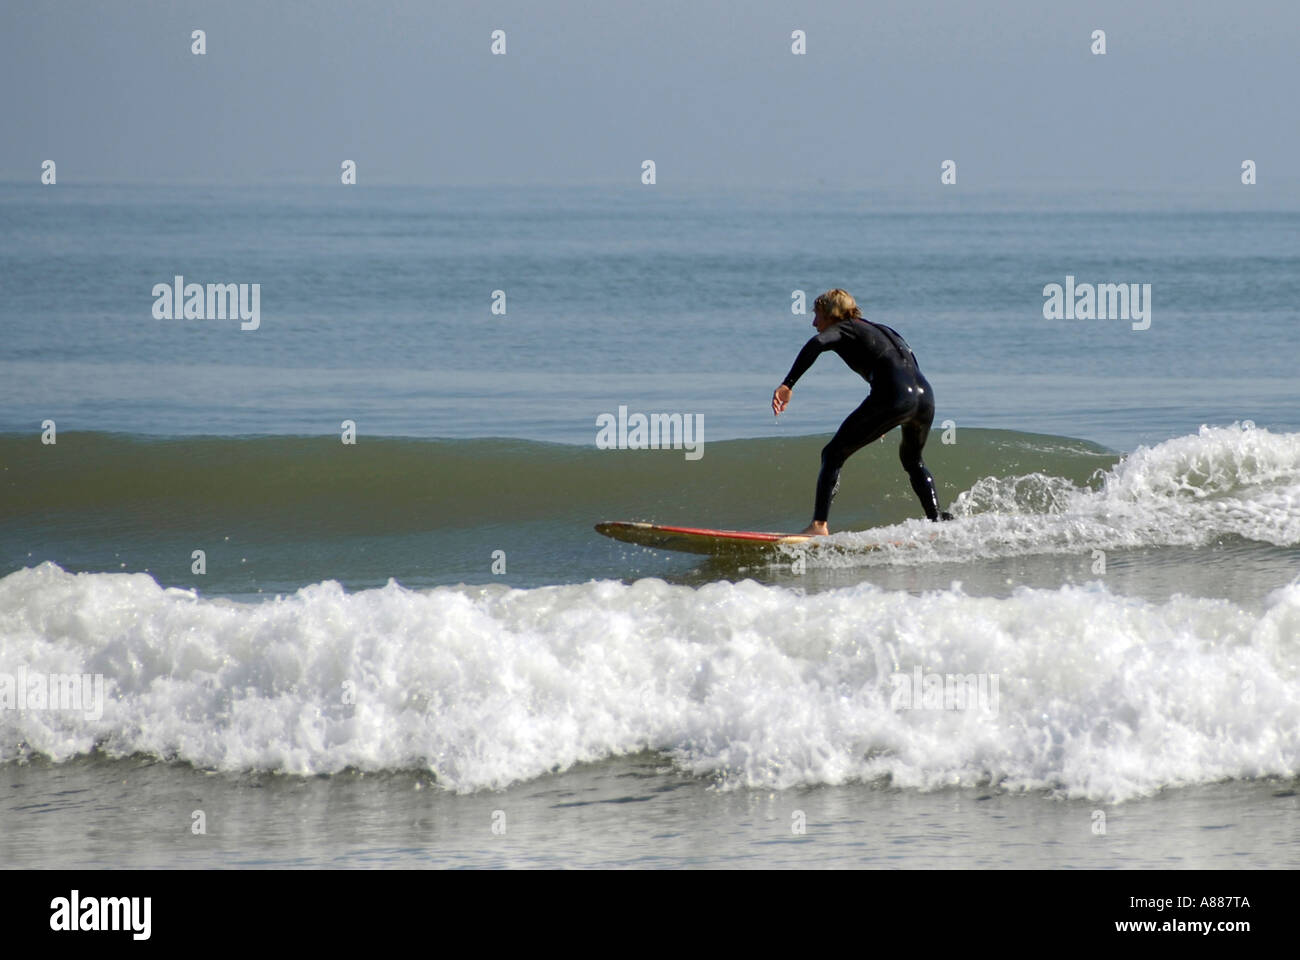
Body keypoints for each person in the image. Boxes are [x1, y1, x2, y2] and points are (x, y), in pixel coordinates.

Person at [771, 289, 953, 536]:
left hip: (894, 397)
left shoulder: (843, 328)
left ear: (832, 314)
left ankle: (818, 526)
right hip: (925, 398)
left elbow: (816, 344)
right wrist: (886, 416)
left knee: (832, 453)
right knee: (912, 460)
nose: (814, 323)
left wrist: (787, 384)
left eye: (817, 316)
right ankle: (936, 521)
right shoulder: (883, 330)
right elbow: (909, 362)